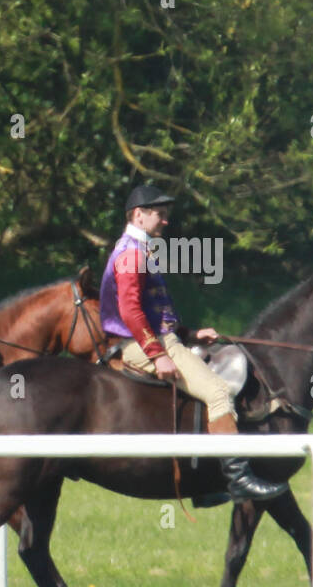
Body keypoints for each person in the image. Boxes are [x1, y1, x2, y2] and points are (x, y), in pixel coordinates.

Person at [99, 183, 288, 502]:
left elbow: (152, 310)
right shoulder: (130, 253)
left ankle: (205, 479)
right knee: (217, 392)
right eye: (159, 214)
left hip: (158, 339)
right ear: (138, 215)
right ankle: (237, 480)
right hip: (140, 343)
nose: (165, 220)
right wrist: (158, 354)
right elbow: (130, 311)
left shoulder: (140, 249)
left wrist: (189, 334)